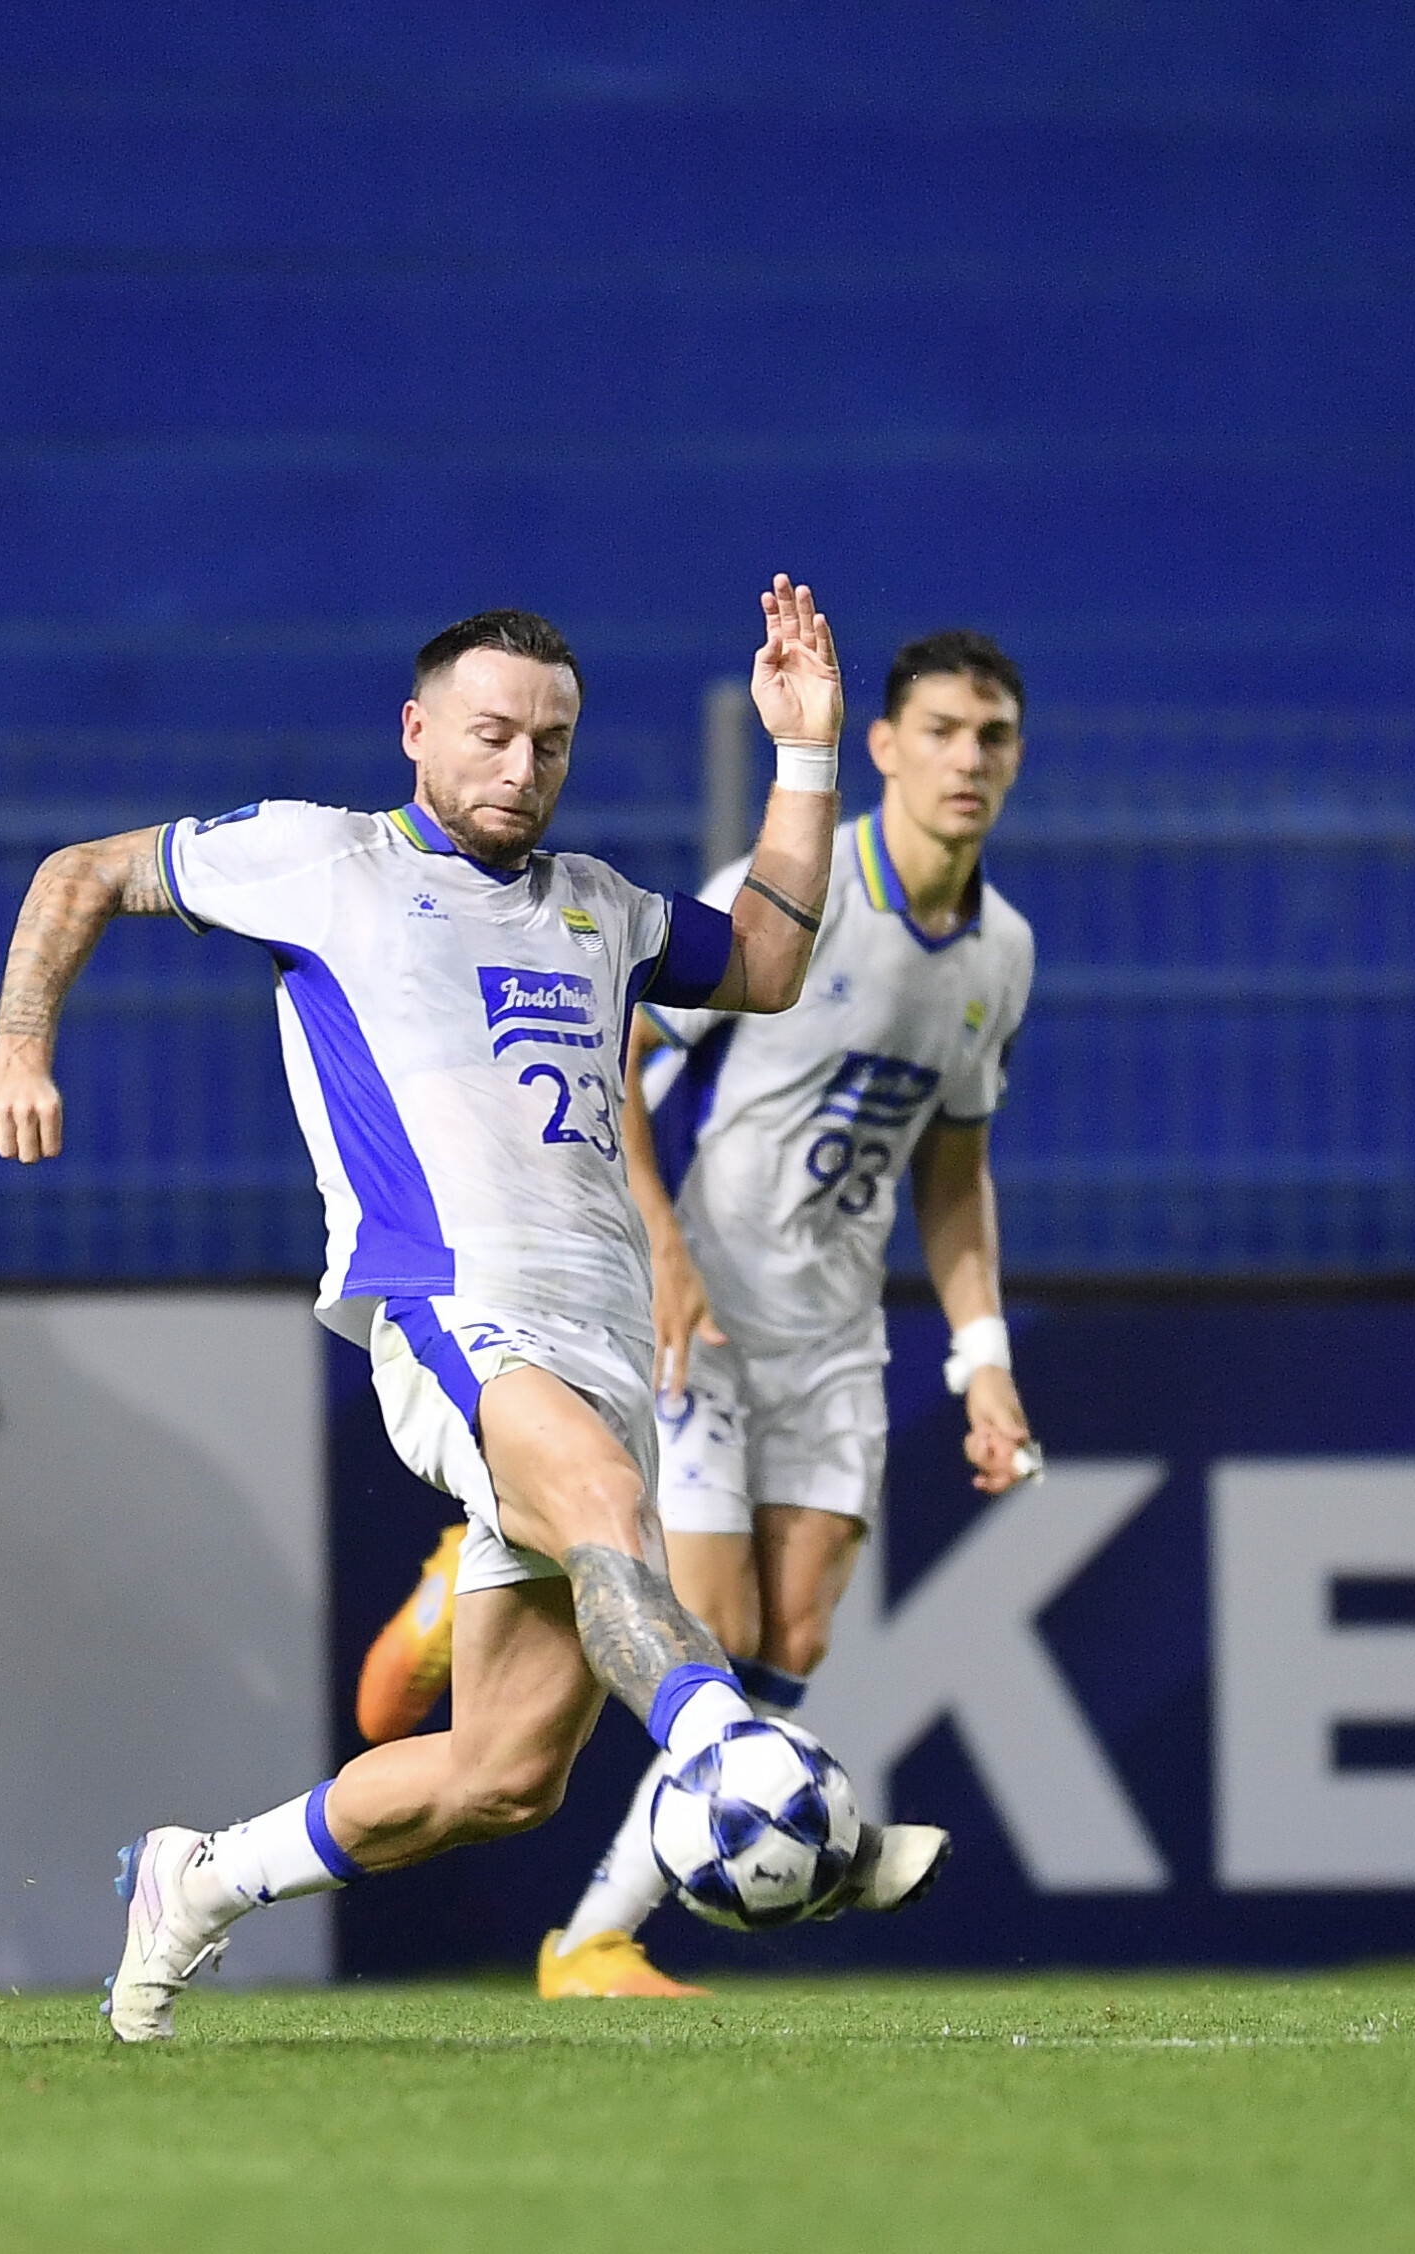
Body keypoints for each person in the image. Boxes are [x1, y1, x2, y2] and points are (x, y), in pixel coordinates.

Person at [0, 582, 945, 2043]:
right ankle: (738, 1759)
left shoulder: (599, 906)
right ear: (418, 729)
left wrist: (804, 754)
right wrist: (19, 1047)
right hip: (452, 1308)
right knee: (619, 1506)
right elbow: (80, 872)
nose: (521, 767)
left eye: (550, 742)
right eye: (491, 734)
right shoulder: (325, 860)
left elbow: (766, 961)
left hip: (603, 1334)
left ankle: (200, 1874)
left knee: (499, 1777)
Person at [525, 628, 1036, 1996]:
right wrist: (662, 1246)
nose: (966, 758)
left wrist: (980, 1364)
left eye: (991, 736)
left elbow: (954, 1172)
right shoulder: (801, 900)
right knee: (710, 1632)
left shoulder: (1002, 953)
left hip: (834, 1330)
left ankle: (499, 1578)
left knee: (790, 1644)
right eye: (939, 730)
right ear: (880, 746)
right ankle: (589, 1942)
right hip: (701, 1309)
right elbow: (610, 1057)